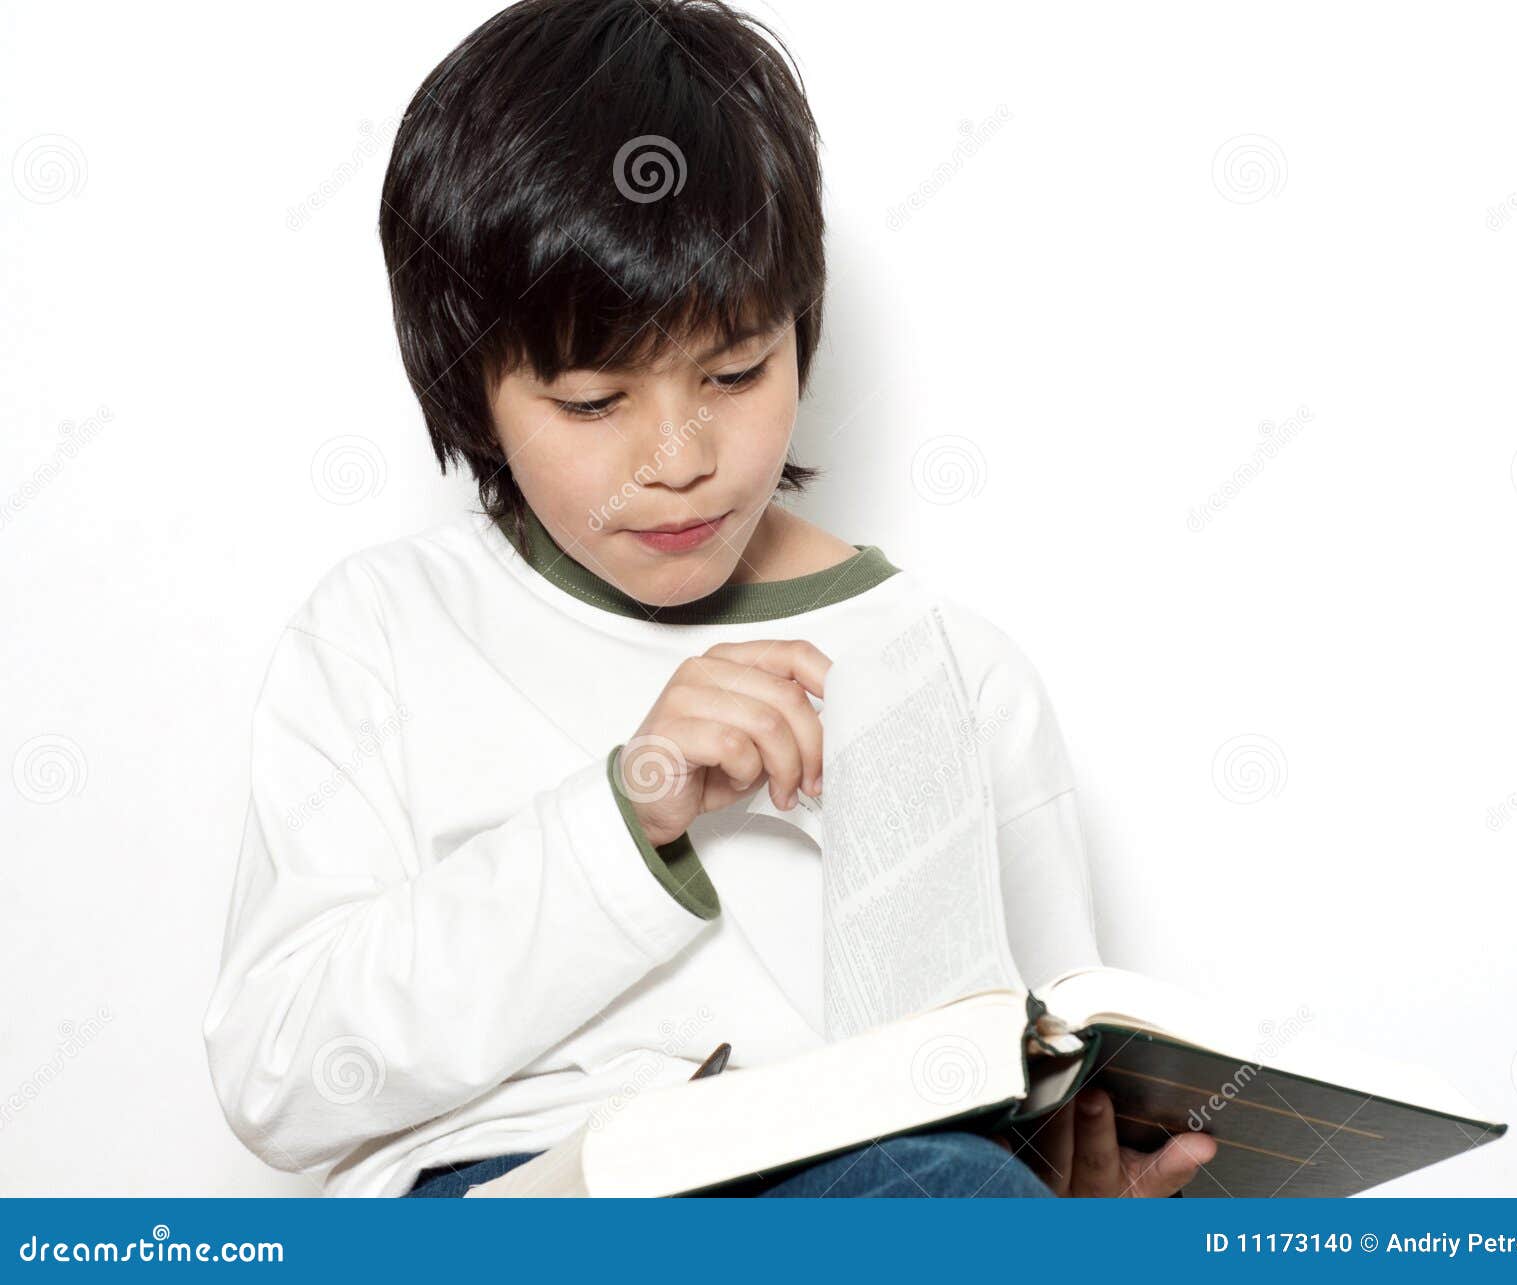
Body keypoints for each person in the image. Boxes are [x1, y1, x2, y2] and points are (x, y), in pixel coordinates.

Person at [202, 0, 1215, 1199]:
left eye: (735, 374)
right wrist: (627, 816)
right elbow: (278, 1075)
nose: (678, 457)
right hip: (505, 1202)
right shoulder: (382, 629)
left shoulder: (954, 664)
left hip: (890, 1193)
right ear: (468, 383)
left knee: (967, 1190)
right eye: (591, 403)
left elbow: (1044, 1059)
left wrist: (1072, 1192)